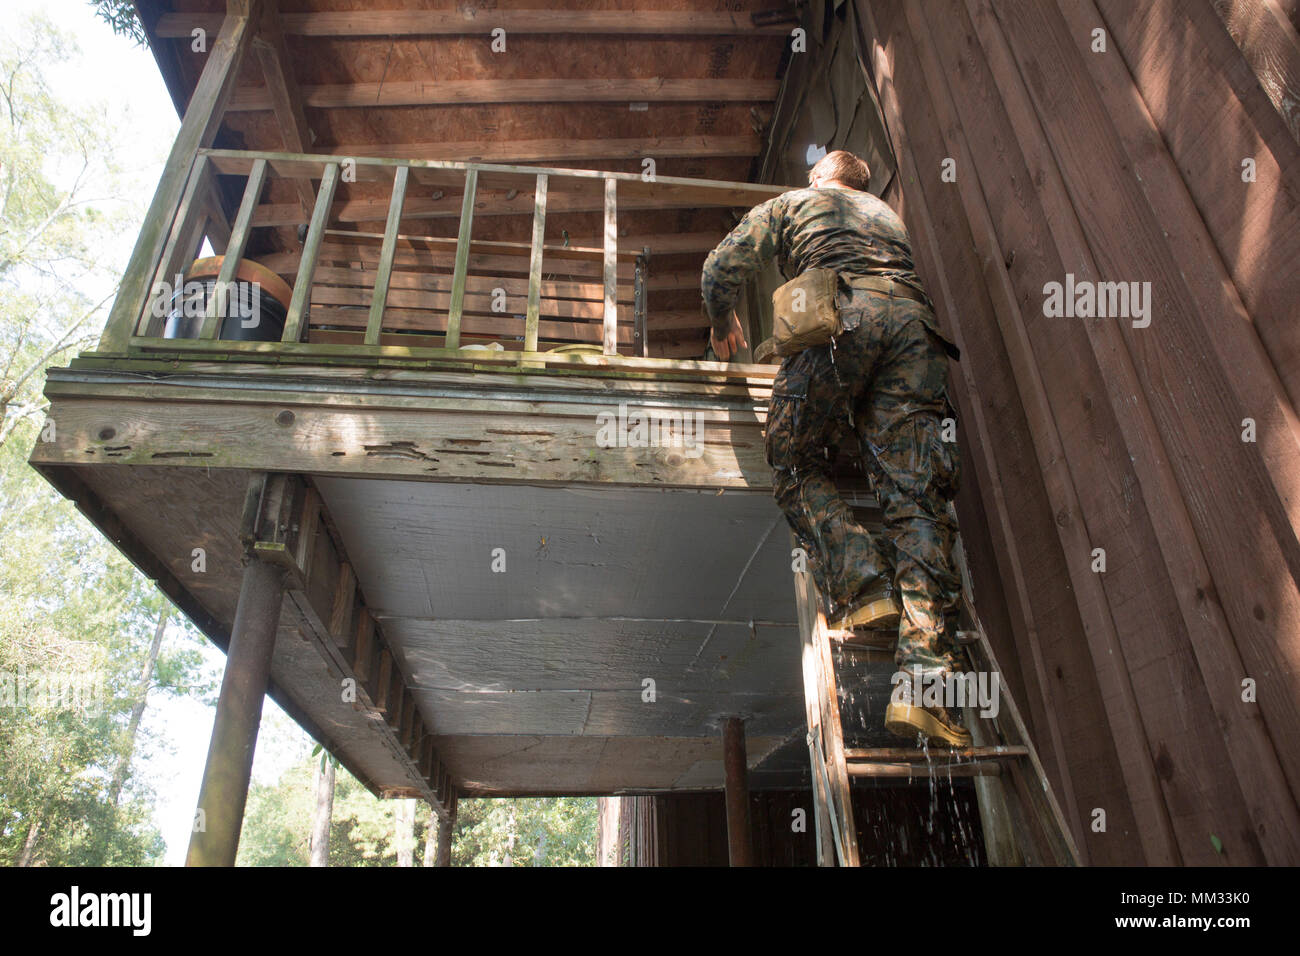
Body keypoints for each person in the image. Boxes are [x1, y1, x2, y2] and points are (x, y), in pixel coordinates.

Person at [700, 150, 970, 746]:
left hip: (841, 318)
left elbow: (719, 268)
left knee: (794, 460)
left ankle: (863, 585)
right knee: (918, 503)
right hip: (915, 333)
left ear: (824, 177)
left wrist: (721, 323)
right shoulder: (887, 217)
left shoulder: (797, 203)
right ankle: (925, 686)